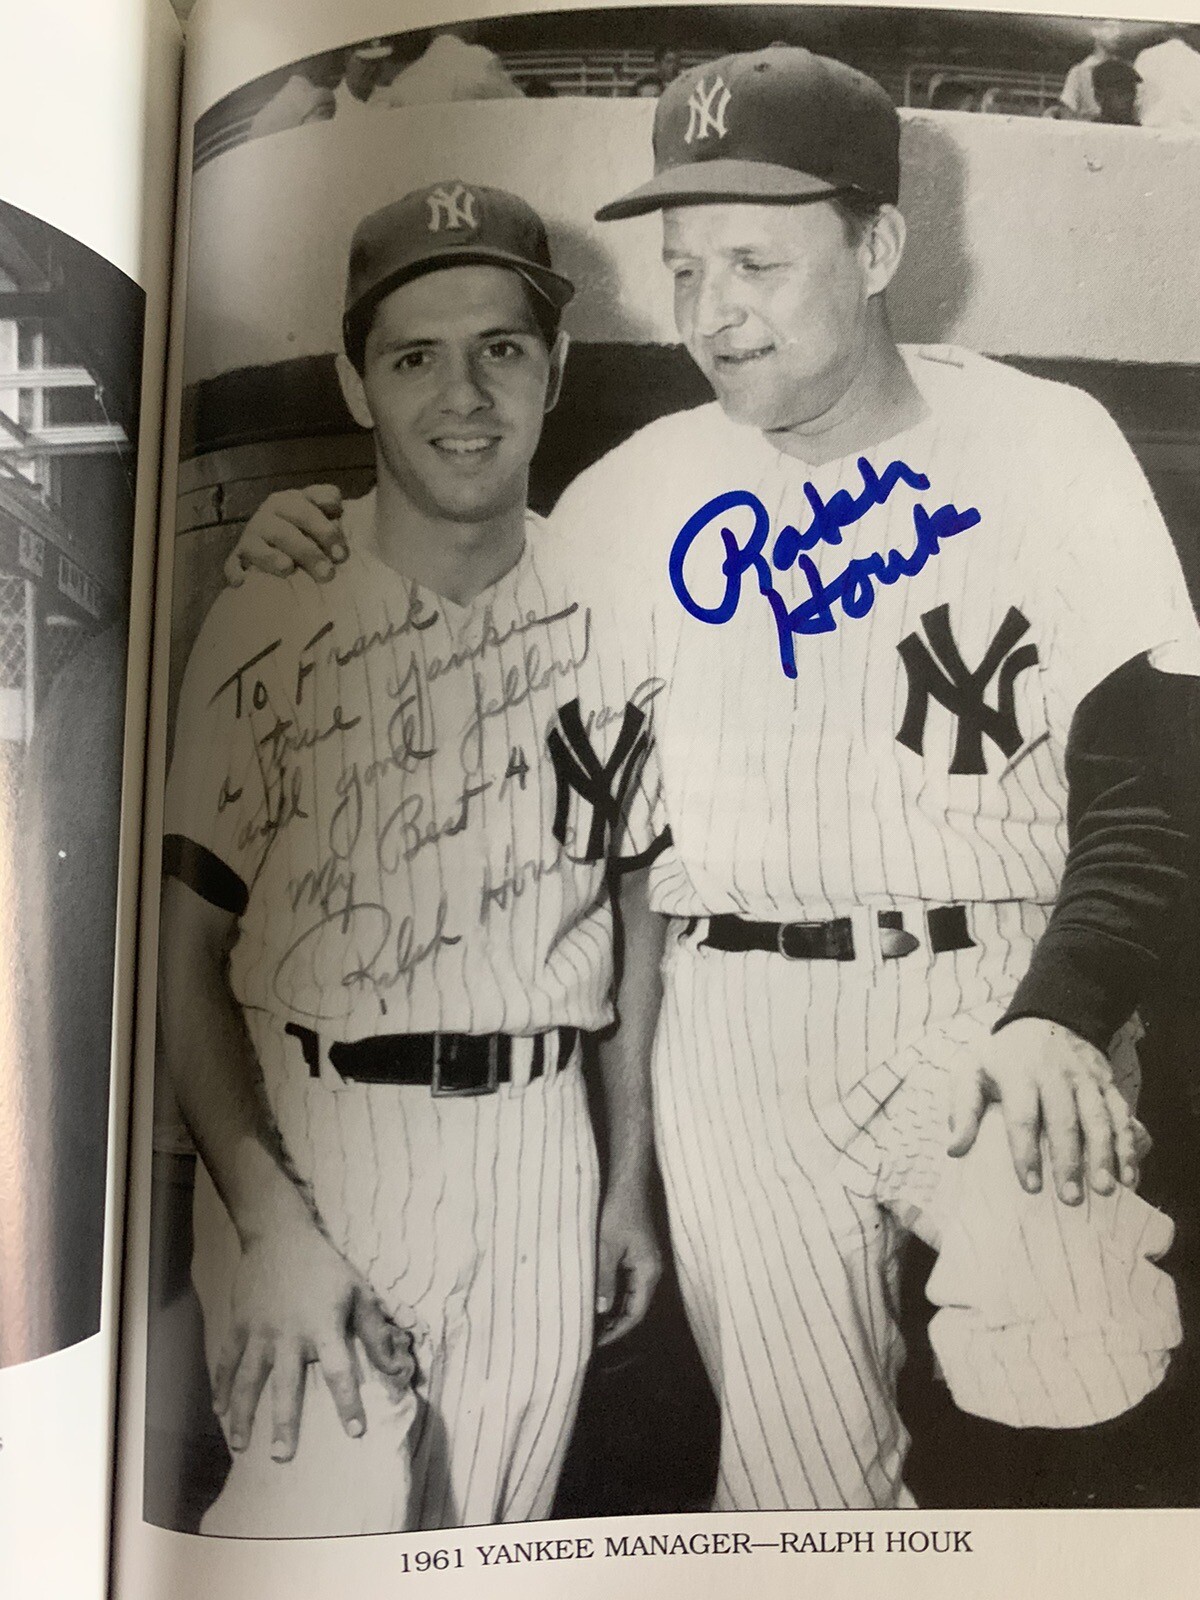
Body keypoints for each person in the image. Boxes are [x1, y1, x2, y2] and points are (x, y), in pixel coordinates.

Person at [231, 49, 1195, 1512]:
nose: (713, 313)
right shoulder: (633, 502)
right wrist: (300, 542)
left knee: (1074, 1339)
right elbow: (477, 633)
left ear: (876, 246)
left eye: (755, 261)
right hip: (736, 1025)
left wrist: (1067, 1012)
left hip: (989, 989)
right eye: (683, 270)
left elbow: (1151, 788)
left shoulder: (1048, 443)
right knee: (797, 1493)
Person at [159, 182, 663, 1536]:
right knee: (311, 1537)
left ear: (554, 369)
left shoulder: (617, 609)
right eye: (414, 355)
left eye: (501, 347)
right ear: (354, 378)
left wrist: (628, 1185)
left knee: (493, 1544)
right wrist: (268, 1219)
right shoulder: (275, 603)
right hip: (319, 1132)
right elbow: (179, 955)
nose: (464, 394)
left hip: (541, 1150)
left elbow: (637, 899)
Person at [1135, 26, 1200, 129]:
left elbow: (1137, 100)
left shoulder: (1146, 56)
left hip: (1149, 131)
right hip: (1189, 135)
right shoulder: (1195, 60)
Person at [1060, 20, 1125, 122]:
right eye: (1110, 27)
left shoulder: (1126, 72)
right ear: (1095, 31)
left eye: (1119, 28)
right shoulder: (1079, 72)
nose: (1118, 33)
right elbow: (1067, 116)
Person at [1092, 58, 1142, 127]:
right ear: (1099, 96)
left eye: (1132, 92)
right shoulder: (1089, 132)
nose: (1129, 99)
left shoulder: (1143, 133)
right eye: (1122, 94)